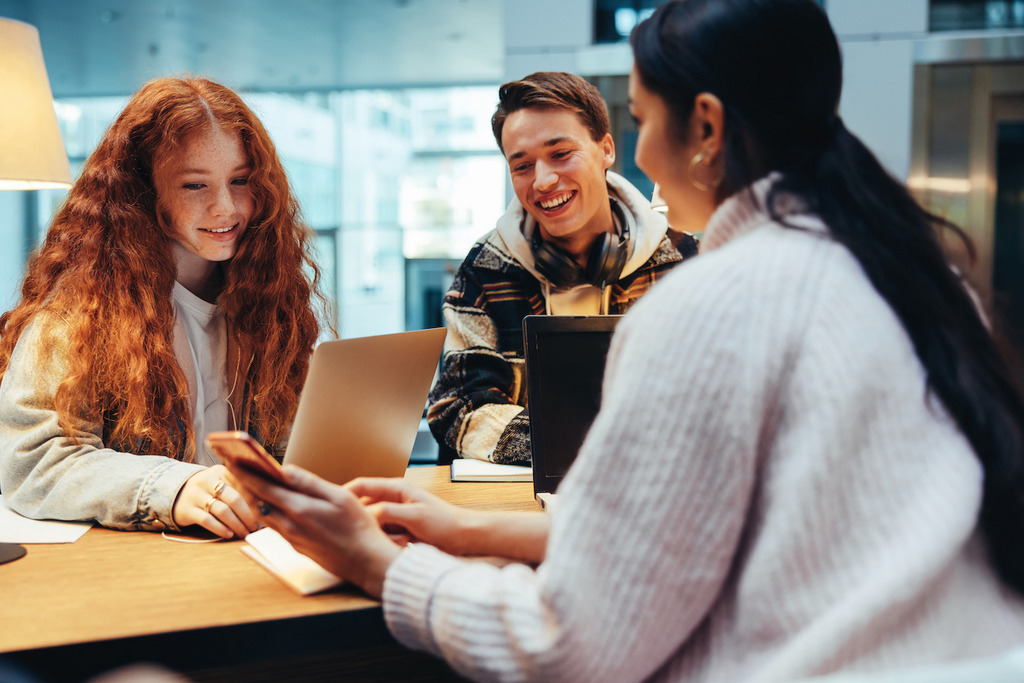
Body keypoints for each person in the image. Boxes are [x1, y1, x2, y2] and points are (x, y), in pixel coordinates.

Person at [225, 1, 1024, 681]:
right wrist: (465, 527)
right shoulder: (921, 277)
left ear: (704, 125)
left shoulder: (704, 300)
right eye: (521, 164)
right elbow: (700, 529)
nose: (637, 152)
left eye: (639, 119)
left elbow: (570, 641)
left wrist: (377, 563)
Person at [0, 77, 326, 539]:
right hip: (136, 564)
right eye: (195, 185)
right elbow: (34, 461)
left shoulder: (267, 295)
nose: (225, 207)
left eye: (240, 181)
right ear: (142, 190)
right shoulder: (80, 311)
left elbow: (286, 447)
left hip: (246, 549)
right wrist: (174, 488)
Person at [426, 71, 697, 465]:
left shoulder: (682, 259)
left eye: (560, 154)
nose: (543, 181)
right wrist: (585, 444)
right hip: (518, 498)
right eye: (522, 165)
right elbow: (458, 406)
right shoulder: (486, 266)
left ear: (606, 149)